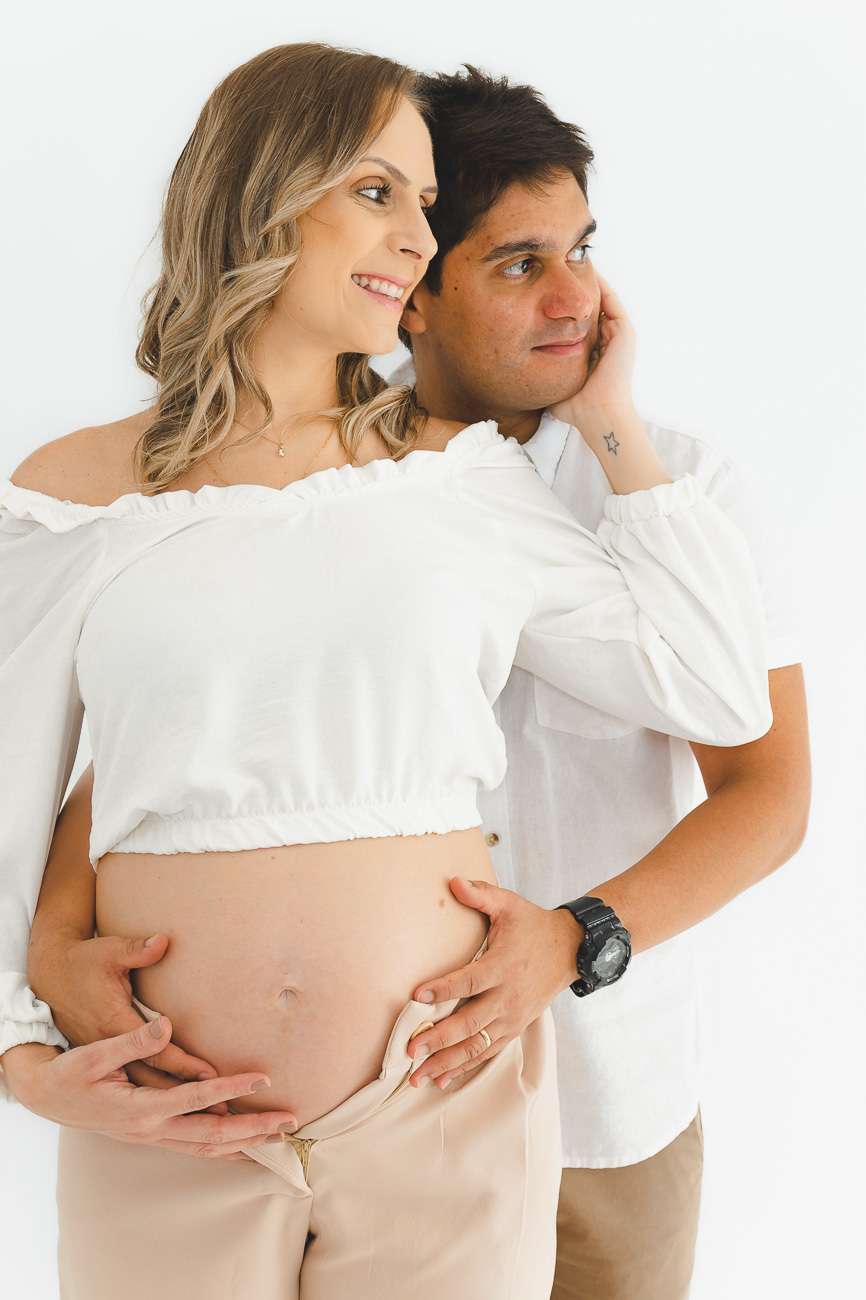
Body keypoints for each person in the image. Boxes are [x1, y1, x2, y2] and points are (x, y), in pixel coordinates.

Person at [0, 44, 772, 1300]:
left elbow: (714, 689)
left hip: (438, 1112)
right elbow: (20, 792)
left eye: (424, 204)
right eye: (378, 192)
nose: (414, 234)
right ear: (261, 188)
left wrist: (611, 411)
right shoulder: (73, 495)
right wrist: (18, 1055)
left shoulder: (455, 481)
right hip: (162, 1123)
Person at [378, 67, 807, 1298]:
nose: (577, 299)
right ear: (411, 290)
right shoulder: (324, 481)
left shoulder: (688, 486)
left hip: (609, 1103)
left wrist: (576, 941)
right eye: (517, 263)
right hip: (376, 1097)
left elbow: (767, 786)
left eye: (581, 250)